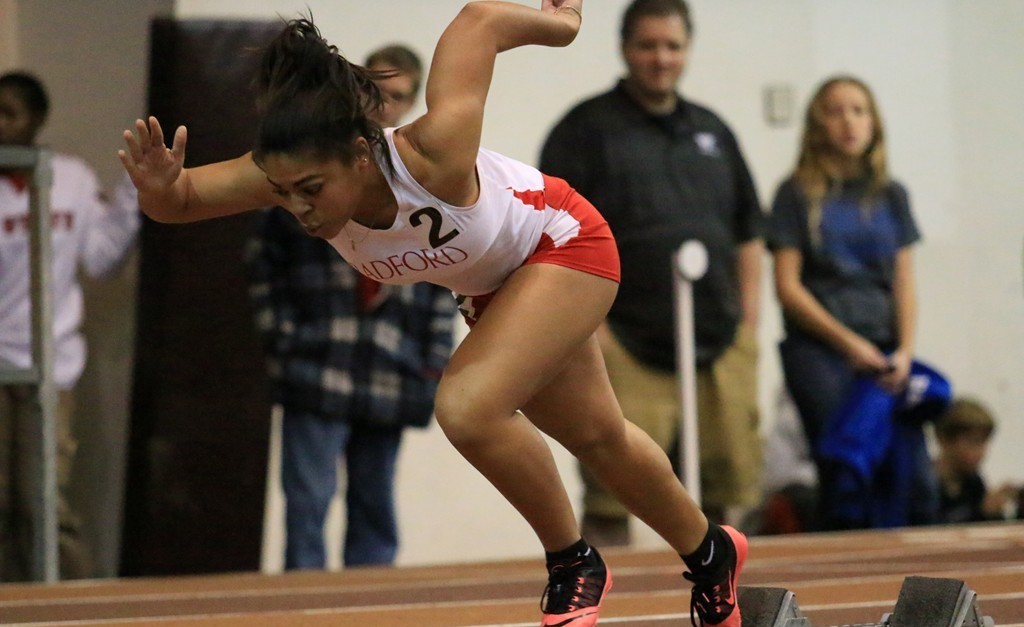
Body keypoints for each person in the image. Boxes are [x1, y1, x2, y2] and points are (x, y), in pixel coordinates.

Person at [118, 3, 748, 626]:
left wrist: (561, 26)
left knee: (469, 408)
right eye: (283, 194)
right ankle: (710, 553)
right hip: (497, 290)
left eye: (311, 190)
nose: (300, 209)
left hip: (562, 241)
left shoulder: (433, 153)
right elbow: (182, 201)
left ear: (360, 154)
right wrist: (158, 188)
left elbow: (479, 22)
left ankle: (572, 561)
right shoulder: (290, 171)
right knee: (600, 439)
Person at [539, 0, 765, 543]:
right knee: (612, 497)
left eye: (672, 46)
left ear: (687, 50)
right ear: (624, 48)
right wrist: (593, 333)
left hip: (720, 345)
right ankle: (603, 591)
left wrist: (748, 325)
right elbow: (546, 235)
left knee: (724, 494)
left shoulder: (713, 130)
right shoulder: (584, 130)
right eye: (647, 45)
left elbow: (749, 233)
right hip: (623, 345)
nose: (661, 58)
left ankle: (722, 589)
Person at [245, 43, 457, 569]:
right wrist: (284, 338)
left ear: (415, 101)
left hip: (392, 366)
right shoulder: (314, 159)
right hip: (316, 360)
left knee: (374, 505)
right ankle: (303, 604)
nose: (387, 106)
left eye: (401, 96)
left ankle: (371, 603)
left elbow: (447, 274)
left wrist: (432, 365)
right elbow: (264, 258)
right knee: (308, 504)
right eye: (378, 93)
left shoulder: (422, 180)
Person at [767, 75, 929, 530]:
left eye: (859, 111)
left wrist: (906, 350)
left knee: (912, 476)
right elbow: (788, 288)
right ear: (818, 124)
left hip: (884, 348)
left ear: (874, 122)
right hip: (821, 351)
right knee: (844, 474)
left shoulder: (890, 195)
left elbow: (904, 282)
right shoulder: (795, 194)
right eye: (836, 111)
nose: (849, 122)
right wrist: (848, 344)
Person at [0, 71, 140, 580]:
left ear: (36, 119)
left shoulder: (71, 179)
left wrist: (136, 193)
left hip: (49, 369)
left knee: (43, 503)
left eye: (8, 113)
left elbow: (101, 259)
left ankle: (74, 605)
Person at [934, 397, 1020, 524]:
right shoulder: (924, 486)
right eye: (974, 442)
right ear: (944, 440)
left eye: (984, 443)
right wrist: (984, 512)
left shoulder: (973, 482)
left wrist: (995, 510)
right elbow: (928, 528)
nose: (982, 452)